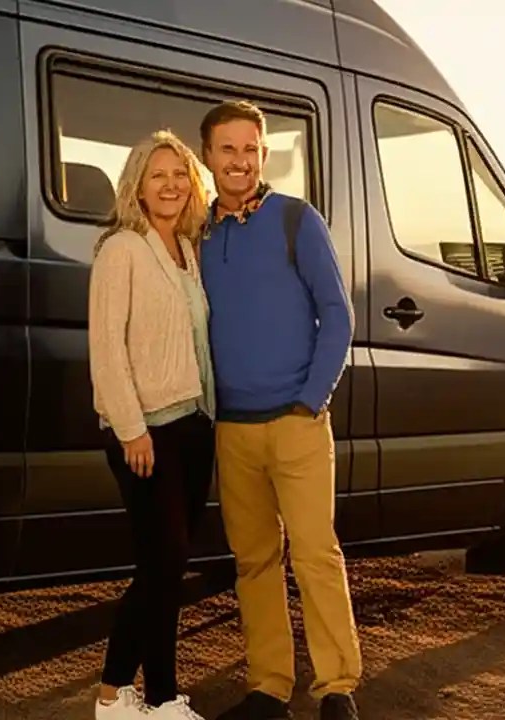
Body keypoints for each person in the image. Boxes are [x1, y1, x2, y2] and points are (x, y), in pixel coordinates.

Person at [198, 100, 362, 720]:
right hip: (233, 428)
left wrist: (309, 400)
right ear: (209, 157)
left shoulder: (298, 220)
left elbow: (337, 315)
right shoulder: (201, 233)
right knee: (255, 561)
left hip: (297, 421)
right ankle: (269, 686)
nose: (239, 161)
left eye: (250, 150)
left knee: (315, 553)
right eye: (227, 150)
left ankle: (337, 686)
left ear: (264, 156)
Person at [87, 129, 217, 720]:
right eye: (157, 174)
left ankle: (156, 698)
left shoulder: (187, 250)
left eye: (179, 174)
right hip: (146, 432)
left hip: (193, 423)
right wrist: (130, 429)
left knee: (169, 567)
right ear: (136, 186)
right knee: (162, 564)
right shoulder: (122, 249)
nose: (170, 184)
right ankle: (120, 694)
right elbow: (107, 349)